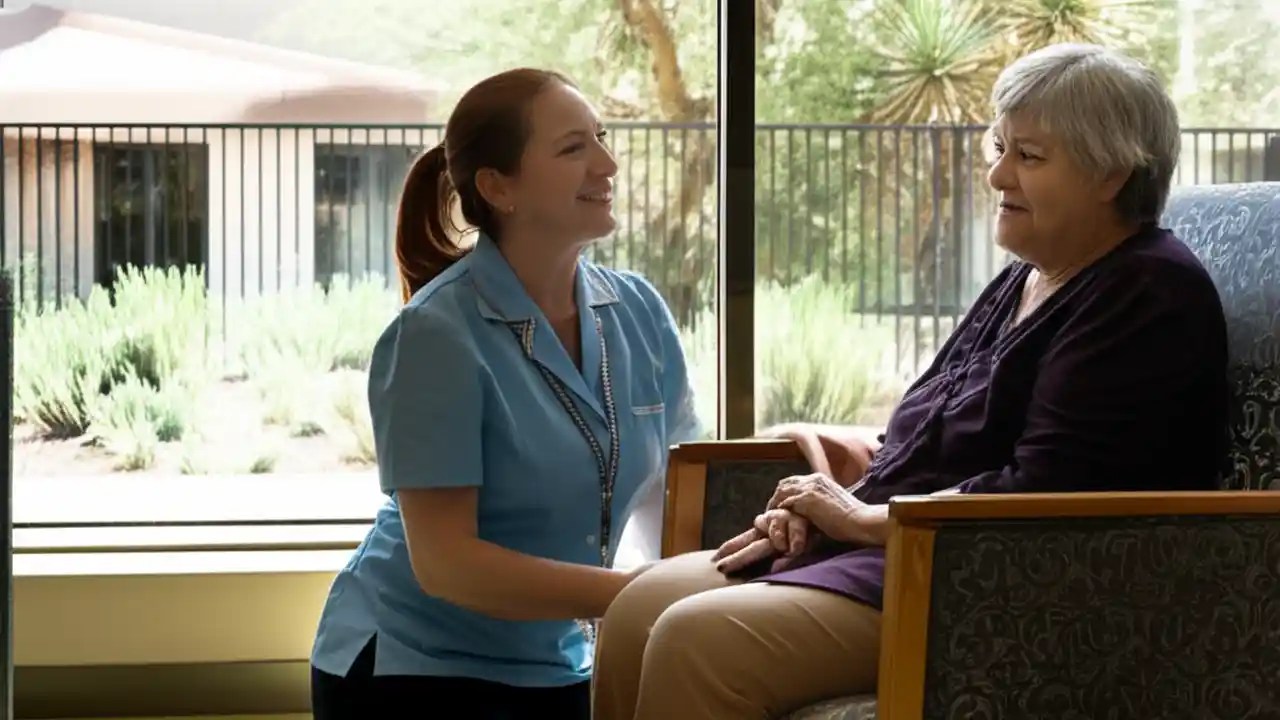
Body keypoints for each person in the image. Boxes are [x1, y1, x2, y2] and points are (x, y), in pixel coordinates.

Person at [592, 43, 1230, 720]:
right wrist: (823, 511)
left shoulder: (1147, 292)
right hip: (904, 550)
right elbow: (926, 433)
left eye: (1029, 156)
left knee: (696, 643)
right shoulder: (1029, 275)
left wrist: (864, 519)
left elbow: (1050, 492)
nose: (998, 175)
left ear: (1112, 174)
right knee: (637, 607)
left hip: (996, 584)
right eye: (1000, 147)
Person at [308, 68, 702, 720]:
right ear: (498, 187)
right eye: (573, 148)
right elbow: (448, 564)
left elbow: (681, 490)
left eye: (601, 139)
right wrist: (635, 595)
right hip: (415, 669)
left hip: (557, 661)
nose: (607, 165)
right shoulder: (434, 335)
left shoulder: (639, 311)